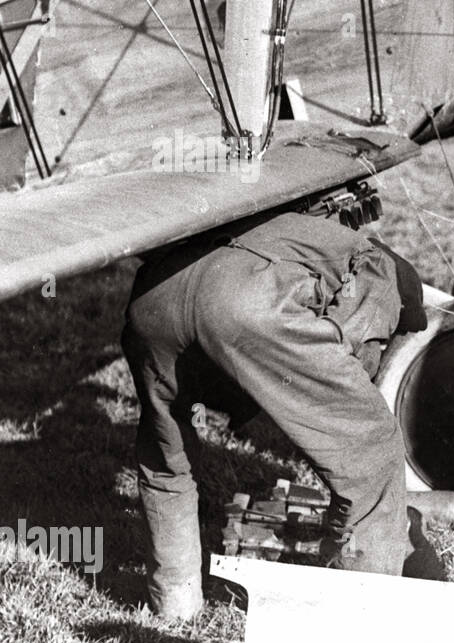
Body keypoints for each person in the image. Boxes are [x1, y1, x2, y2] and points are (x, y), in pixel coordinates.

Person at [122, 210, 428, 618]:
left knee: (167, 459)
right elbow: (351, 353)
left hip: (152, 301)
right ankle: (362, 621)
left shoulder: (301, 231)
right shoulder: (382, 268)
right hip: (240, 304)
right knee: (372, 453)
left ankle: (175, 603)